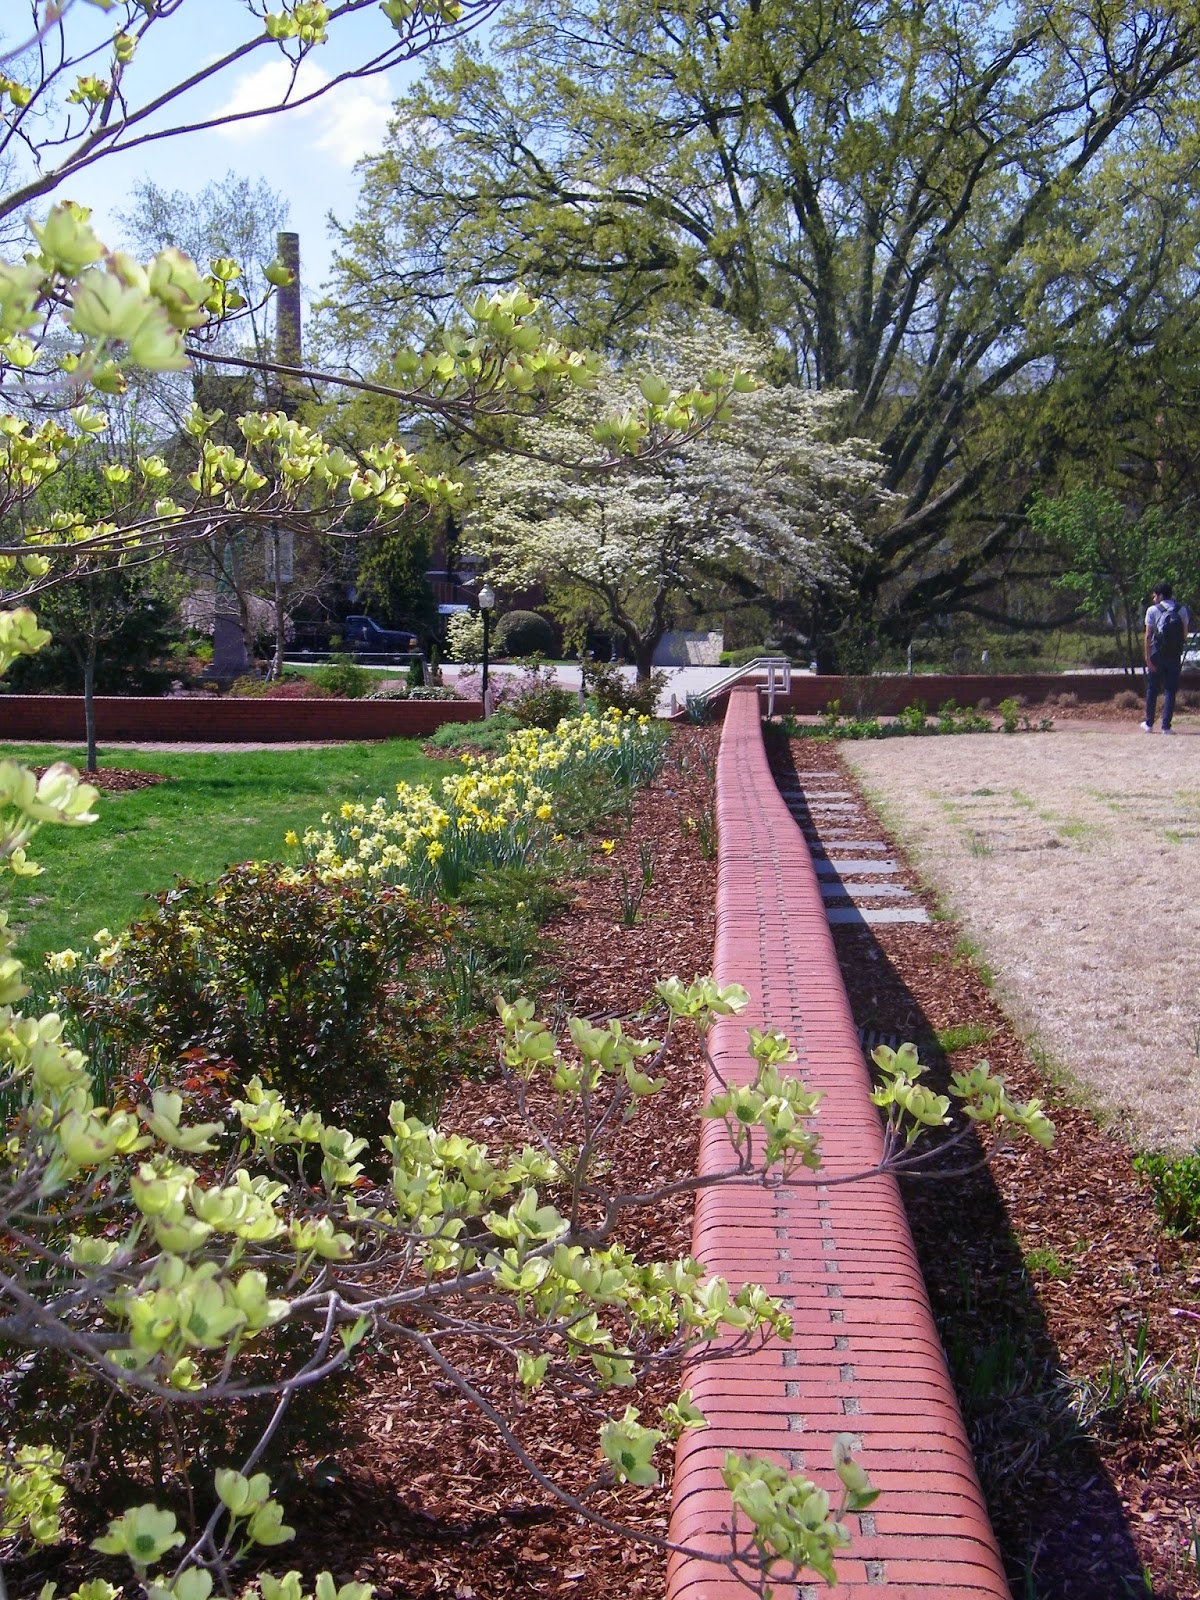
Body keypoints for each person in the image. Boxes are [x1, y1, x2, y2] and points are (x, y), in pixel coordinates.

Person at [1142, 581, 1191, 734]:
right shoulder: (1181, 610)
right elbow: (1184, 633)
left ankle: (1149, 724)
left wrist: (1147, 657)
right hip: (1173, 654)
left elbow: (1148, 635)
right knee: (1170, 690)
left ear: (1160, 595)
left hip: (1157, 653)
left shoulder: (1152, 610)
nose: (1153, 597)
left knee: (1152, 688)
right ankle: (1166, 727)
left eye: (1155, 595)